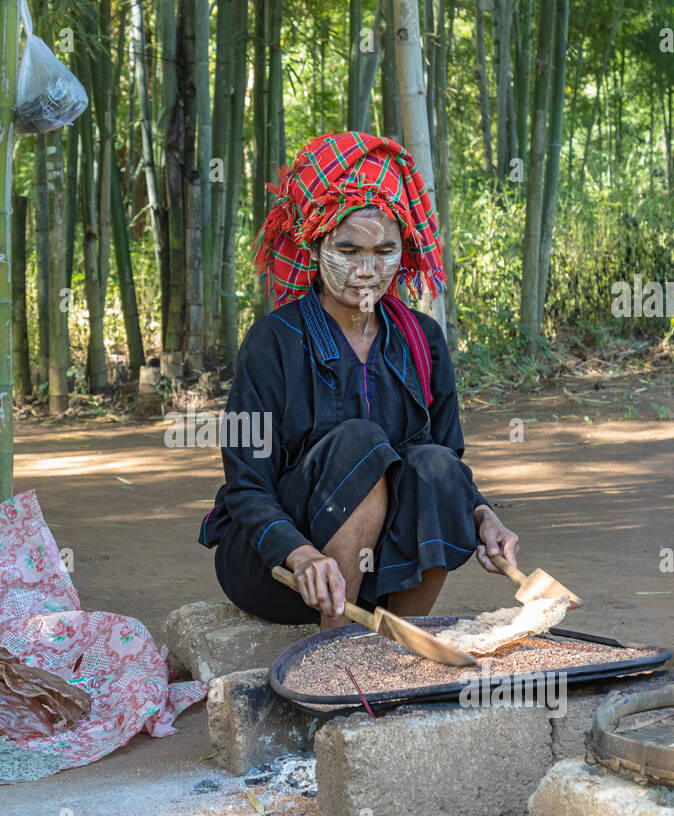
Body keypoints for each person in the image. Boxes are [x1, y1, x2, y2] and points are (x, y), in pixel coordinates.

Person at [198, 131, 520, 629]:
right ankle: (337, 657)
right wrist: (300, 553)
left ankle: (393, 649)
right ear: (316, 243)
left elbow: (446, 463)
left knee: (435, 465)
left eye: (384, 250)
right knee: (361, 441)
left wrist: (483, 517)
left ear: (403, 250)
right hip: (280, 571)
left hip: (386, 573)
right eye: (348, 250)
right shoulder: (272, 342)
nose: (367, 270)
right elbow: (246, 487)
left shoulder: (424, 340)